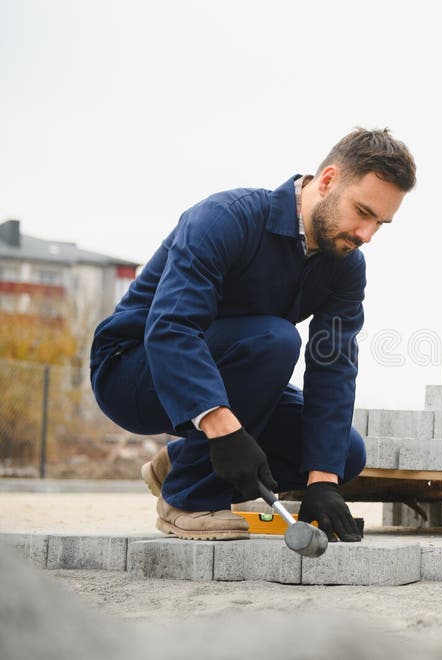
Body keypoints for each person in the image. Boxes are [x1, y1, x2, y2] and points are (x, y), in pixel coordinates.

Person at [89, 128, 416, 543]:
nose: (366, 234)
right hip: (134, 369)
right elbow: (172, 327)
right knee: (276, 340)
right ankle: (188, 499)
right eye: (362, 212)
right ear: (329, 180)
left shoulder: (345, 266)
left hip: (234, 369)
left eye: (379, 224)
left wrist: (322, 482)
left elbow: (333, 367)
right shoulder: (227, 218)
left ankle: (181, 461)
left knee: (343, 453)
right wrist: (222, 429)